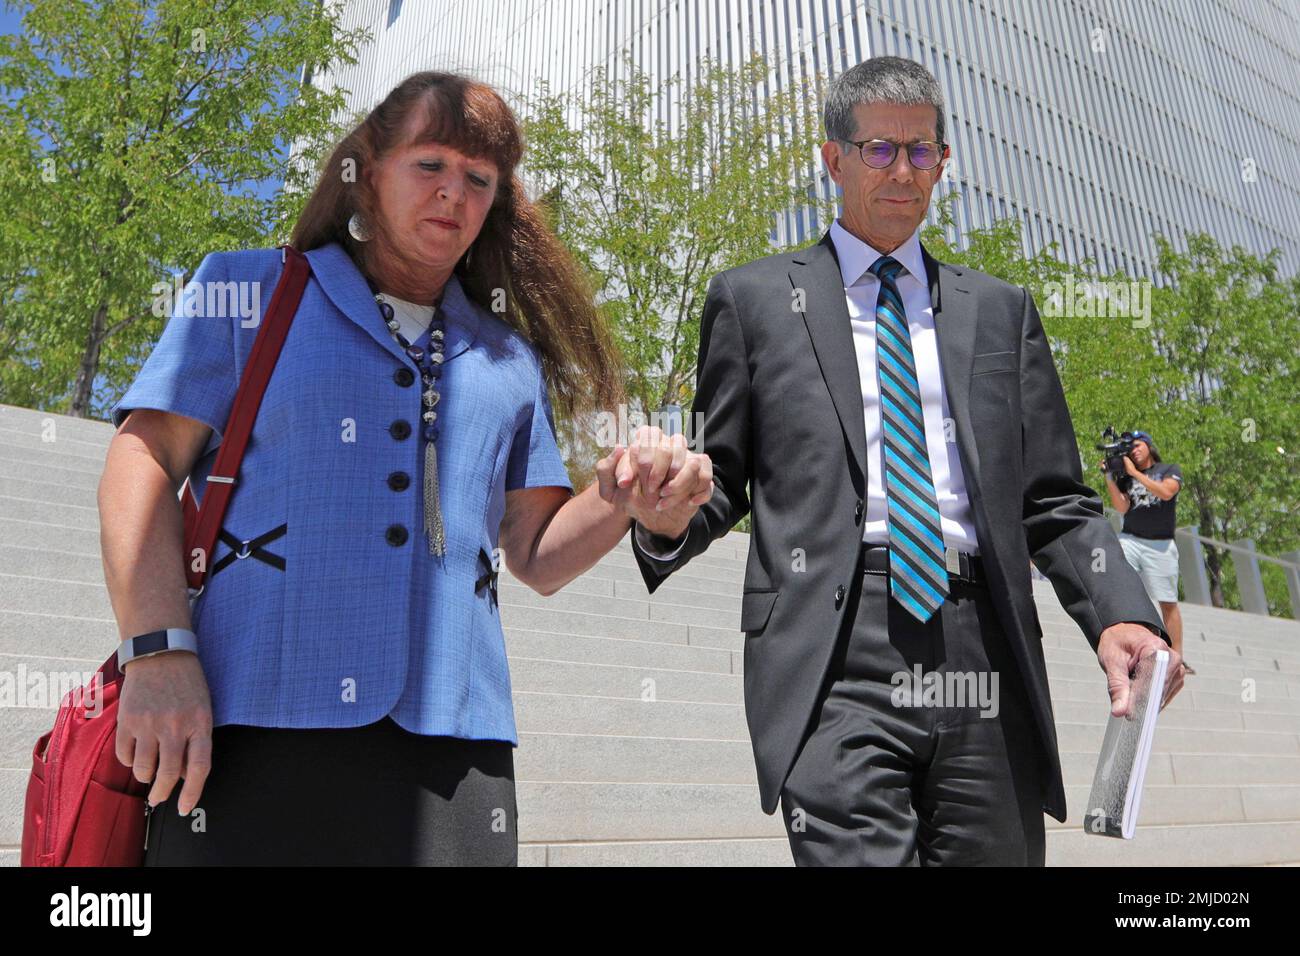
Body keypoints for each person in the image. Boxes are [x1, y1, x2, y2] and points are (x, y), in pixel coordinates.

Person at [100, 71, 712, 865]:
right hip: (247, 730)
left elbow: (536, 555)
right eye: (431, 164)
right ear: (366, 171)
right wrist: (157, 652)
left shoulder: (508, 361)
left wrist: (629, 499)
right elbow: (140, 460)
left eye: (480, 179)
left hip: (458, 758)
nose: (454, 193)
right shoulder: (247, 291)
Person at [627, 55, 1184, 866]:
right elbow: (718, 475)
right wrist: (666, 517)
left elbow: (1056, 501)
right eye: (879, 149)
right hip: (834, 649)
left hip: (982, 643)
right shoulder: (751, 302)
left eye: (921, 151)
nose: (903, 171)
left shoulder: (1001, 312)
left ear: (944, 162)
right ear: (833, 158)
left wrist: (1122, 613)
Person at [1102, 431, 1192, 673]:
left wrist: (1134, 473)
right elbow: (1121, 506)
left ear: (1149, 446)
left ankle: (1178, 657)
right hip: (1131, 538)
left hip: (1160, 545)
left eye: (1138, 445)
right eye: (1130, 448)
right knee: (1117, 571)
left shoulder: (1168, 469)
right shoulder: (1126, 477)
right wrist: (1110, 478)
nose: (1134, 450)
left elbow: (1166, 492)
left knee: (1168, 602)